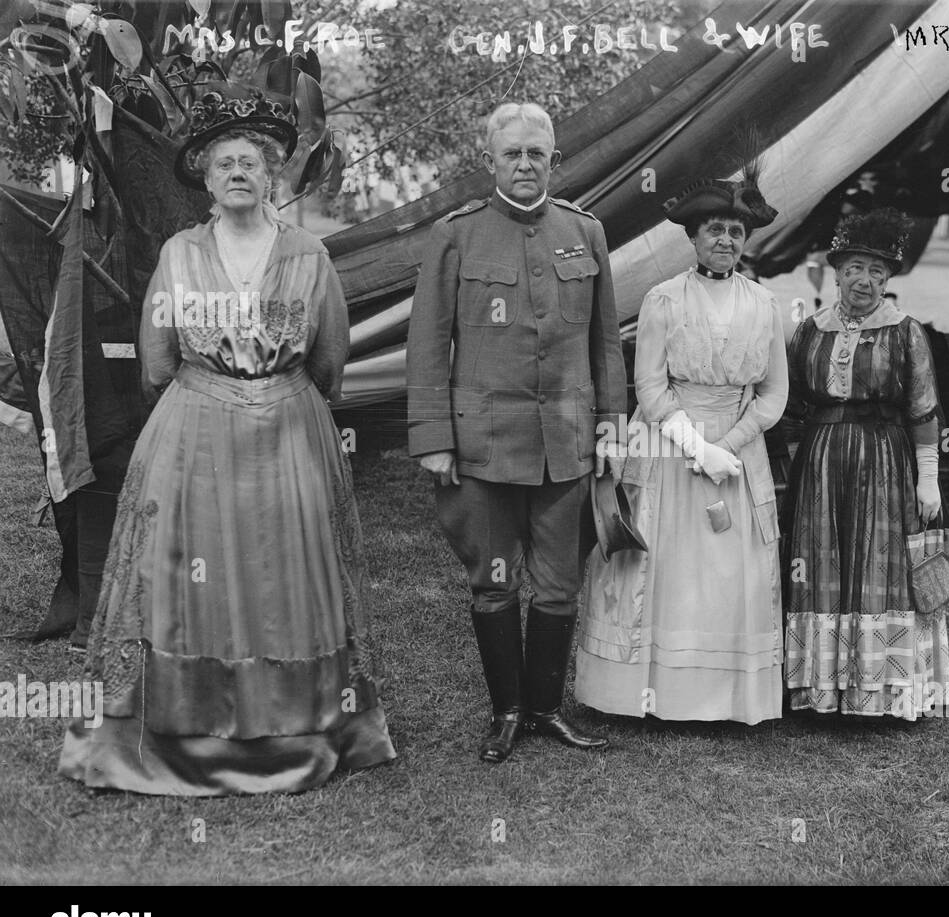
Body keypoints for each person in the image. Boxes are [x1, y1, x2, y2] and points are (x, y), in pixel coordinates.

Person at [59, 88, 395, 794]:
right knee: (196, 569)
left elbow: (329, 357)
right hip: (196, 433)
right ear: (206, 180)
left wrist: (281, 396)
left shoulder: (307, 255)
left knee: (287, 570)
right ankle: (185, 726)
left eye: (252, 162)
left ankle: (296, 727)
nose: (238, 172)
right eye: (224, 164)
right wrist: (213, 395)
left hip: (291, 435)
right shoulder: (179, 255)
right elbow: (157, 359)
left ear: (273, 174)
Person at [407, 102, 626, 763]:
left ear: (554, 159)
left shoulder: (584, 232)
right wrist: (433, 436)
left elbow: (605, 340)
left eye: (539, 153)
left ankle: (545, 708)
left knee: (559, 584)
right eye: (513, 154)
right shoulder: (458, 236)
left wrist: (613, 423)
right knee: (495, 580)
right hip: (485, 447)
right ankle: (505, 711)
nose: (526, 164)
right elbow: (427, 341)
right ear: (491, 161)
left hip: (567, 444)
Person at [574, 166, 789, 725]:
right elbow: (648, 384)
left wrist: (730, 446)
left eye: (736, 233)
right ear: (692, 238)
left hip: (738, 450)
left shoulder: (765, 305)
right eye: (714, 230)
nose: (725, 241)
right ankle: (652, 693)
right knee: (667, 562)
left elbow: (773, 395)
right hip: (669, 443)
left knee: (727, 567)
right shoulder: (664, 299)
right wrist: (696, 446)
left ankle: (721, 698)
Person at [781, 208, 949, 720]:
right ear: (836, 271)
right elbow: (792, 412)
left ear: (888, 279)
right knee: (822, 567)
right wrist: (800, 471)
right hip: (821, 461)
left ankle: (882, 692)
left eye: (877, 271)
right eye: (856, 267)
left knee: (881, 568)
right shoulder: (809, 331)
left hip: (884, 459)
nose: (865, 280)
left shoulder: (905, 332)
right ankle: (821, 691)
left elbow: (923, 409)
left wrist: (929, 481)